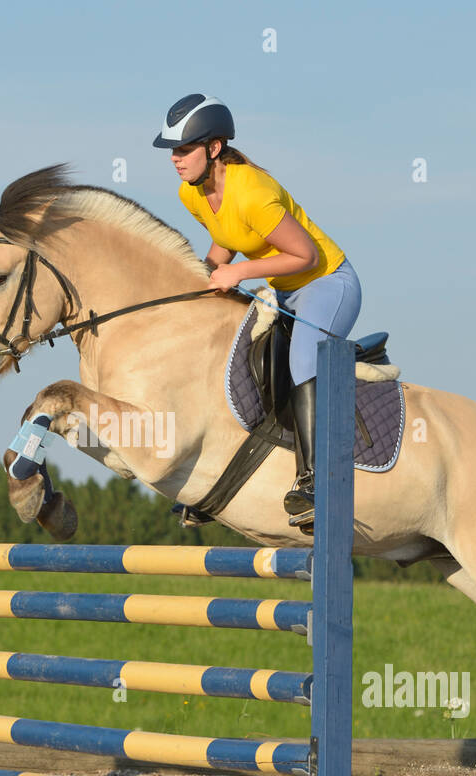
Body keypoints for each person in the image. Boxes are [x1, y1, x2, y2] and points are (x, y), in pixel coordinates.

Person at [153, 93, 361, 524]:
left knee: (303, 357)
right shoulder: (191, 194)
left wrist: (240, 273)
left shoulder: (253, 191)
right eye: (172, 150)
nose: (175, 159)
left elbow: (305, 256)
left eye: (184, 149)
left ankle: (315, 481)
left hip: (327, 282)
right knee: (233, 358)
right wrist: (205, 275)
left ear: (213, 149)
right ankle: (220, 479)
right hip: (284, 290)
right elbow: (226, 236)